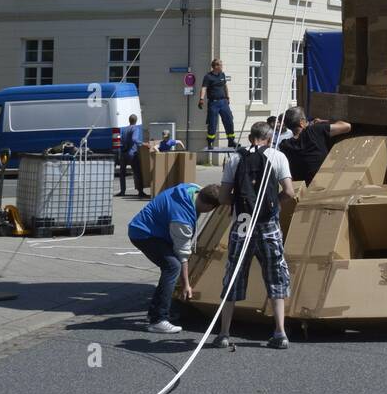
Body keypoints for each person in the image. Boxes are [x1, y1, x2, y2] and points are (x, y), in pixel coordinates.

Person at [215, 122, 295, 350]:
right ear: (269, 138)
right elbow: (289, 192)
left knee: (234, 274)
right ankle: (279, 332)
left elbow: (222, 197)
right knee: (275, 274)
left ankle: (223, 333)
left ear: (251, 138)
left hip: (242, 224)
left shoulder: (235, 159)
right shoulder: (278, 157)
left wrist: (243, 205)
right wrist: (271, 207)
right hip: (268, 225)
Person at [128, 182, 221, 333]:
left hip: (153, 231)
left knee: (171, 267)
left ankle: (154, 313)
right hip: (144, 235)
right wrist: (186, 285)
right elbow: (182, 254)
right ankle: (158, 320)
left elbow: (212, 190)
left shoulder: (192, 189)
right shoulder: (182, 218)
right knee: (173, 267)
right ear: (210, 207)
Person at [283, 107, 352, 186]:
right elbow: (347, 126)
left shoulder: (284, 145)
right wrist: (323, 121)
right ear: (301, 123)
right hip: (325, 184)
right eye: (306, 120)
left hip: (303, 188)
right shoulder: (315, 131)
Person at [197, 59, 237, 152]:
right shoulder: (208, 77)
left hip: (223, 102)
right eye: (220, 65)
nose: (222, 66)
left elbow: (225, 86)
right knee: (212, 123)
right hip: (213, 103)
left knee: (229, 120)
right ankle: (210, 142)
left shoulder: (222, 75)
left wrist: (227, 97)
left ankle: (231, 141)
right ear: (215, 66)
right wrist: (201, 99)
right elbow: (204, 88)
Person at [117, 113, 144, 197]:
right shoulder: (135, 129)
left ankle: (122, 191)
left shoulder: (124, 129)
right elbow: (134, 139)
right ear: (136, 121)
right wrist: (143, 143)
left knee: (122, 173)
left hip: (123, 153)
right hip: (132, 153)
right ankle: (140, 191)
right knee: (137, 172)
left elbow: (120, 140)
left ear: (129, 120)